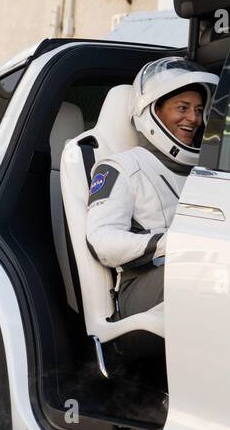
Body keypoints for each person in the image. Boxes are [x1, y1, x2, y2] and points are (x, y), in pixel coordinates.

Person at [86, 57, 218, 319]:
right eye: (182, 108)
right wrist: (170, 243)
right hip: (141, 287)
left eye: (198, 109)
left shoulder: (206, 172)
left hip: (190, 273)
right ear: (154, 112)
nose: (193, 118)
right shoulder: (118, 168)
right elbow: (102, 241)